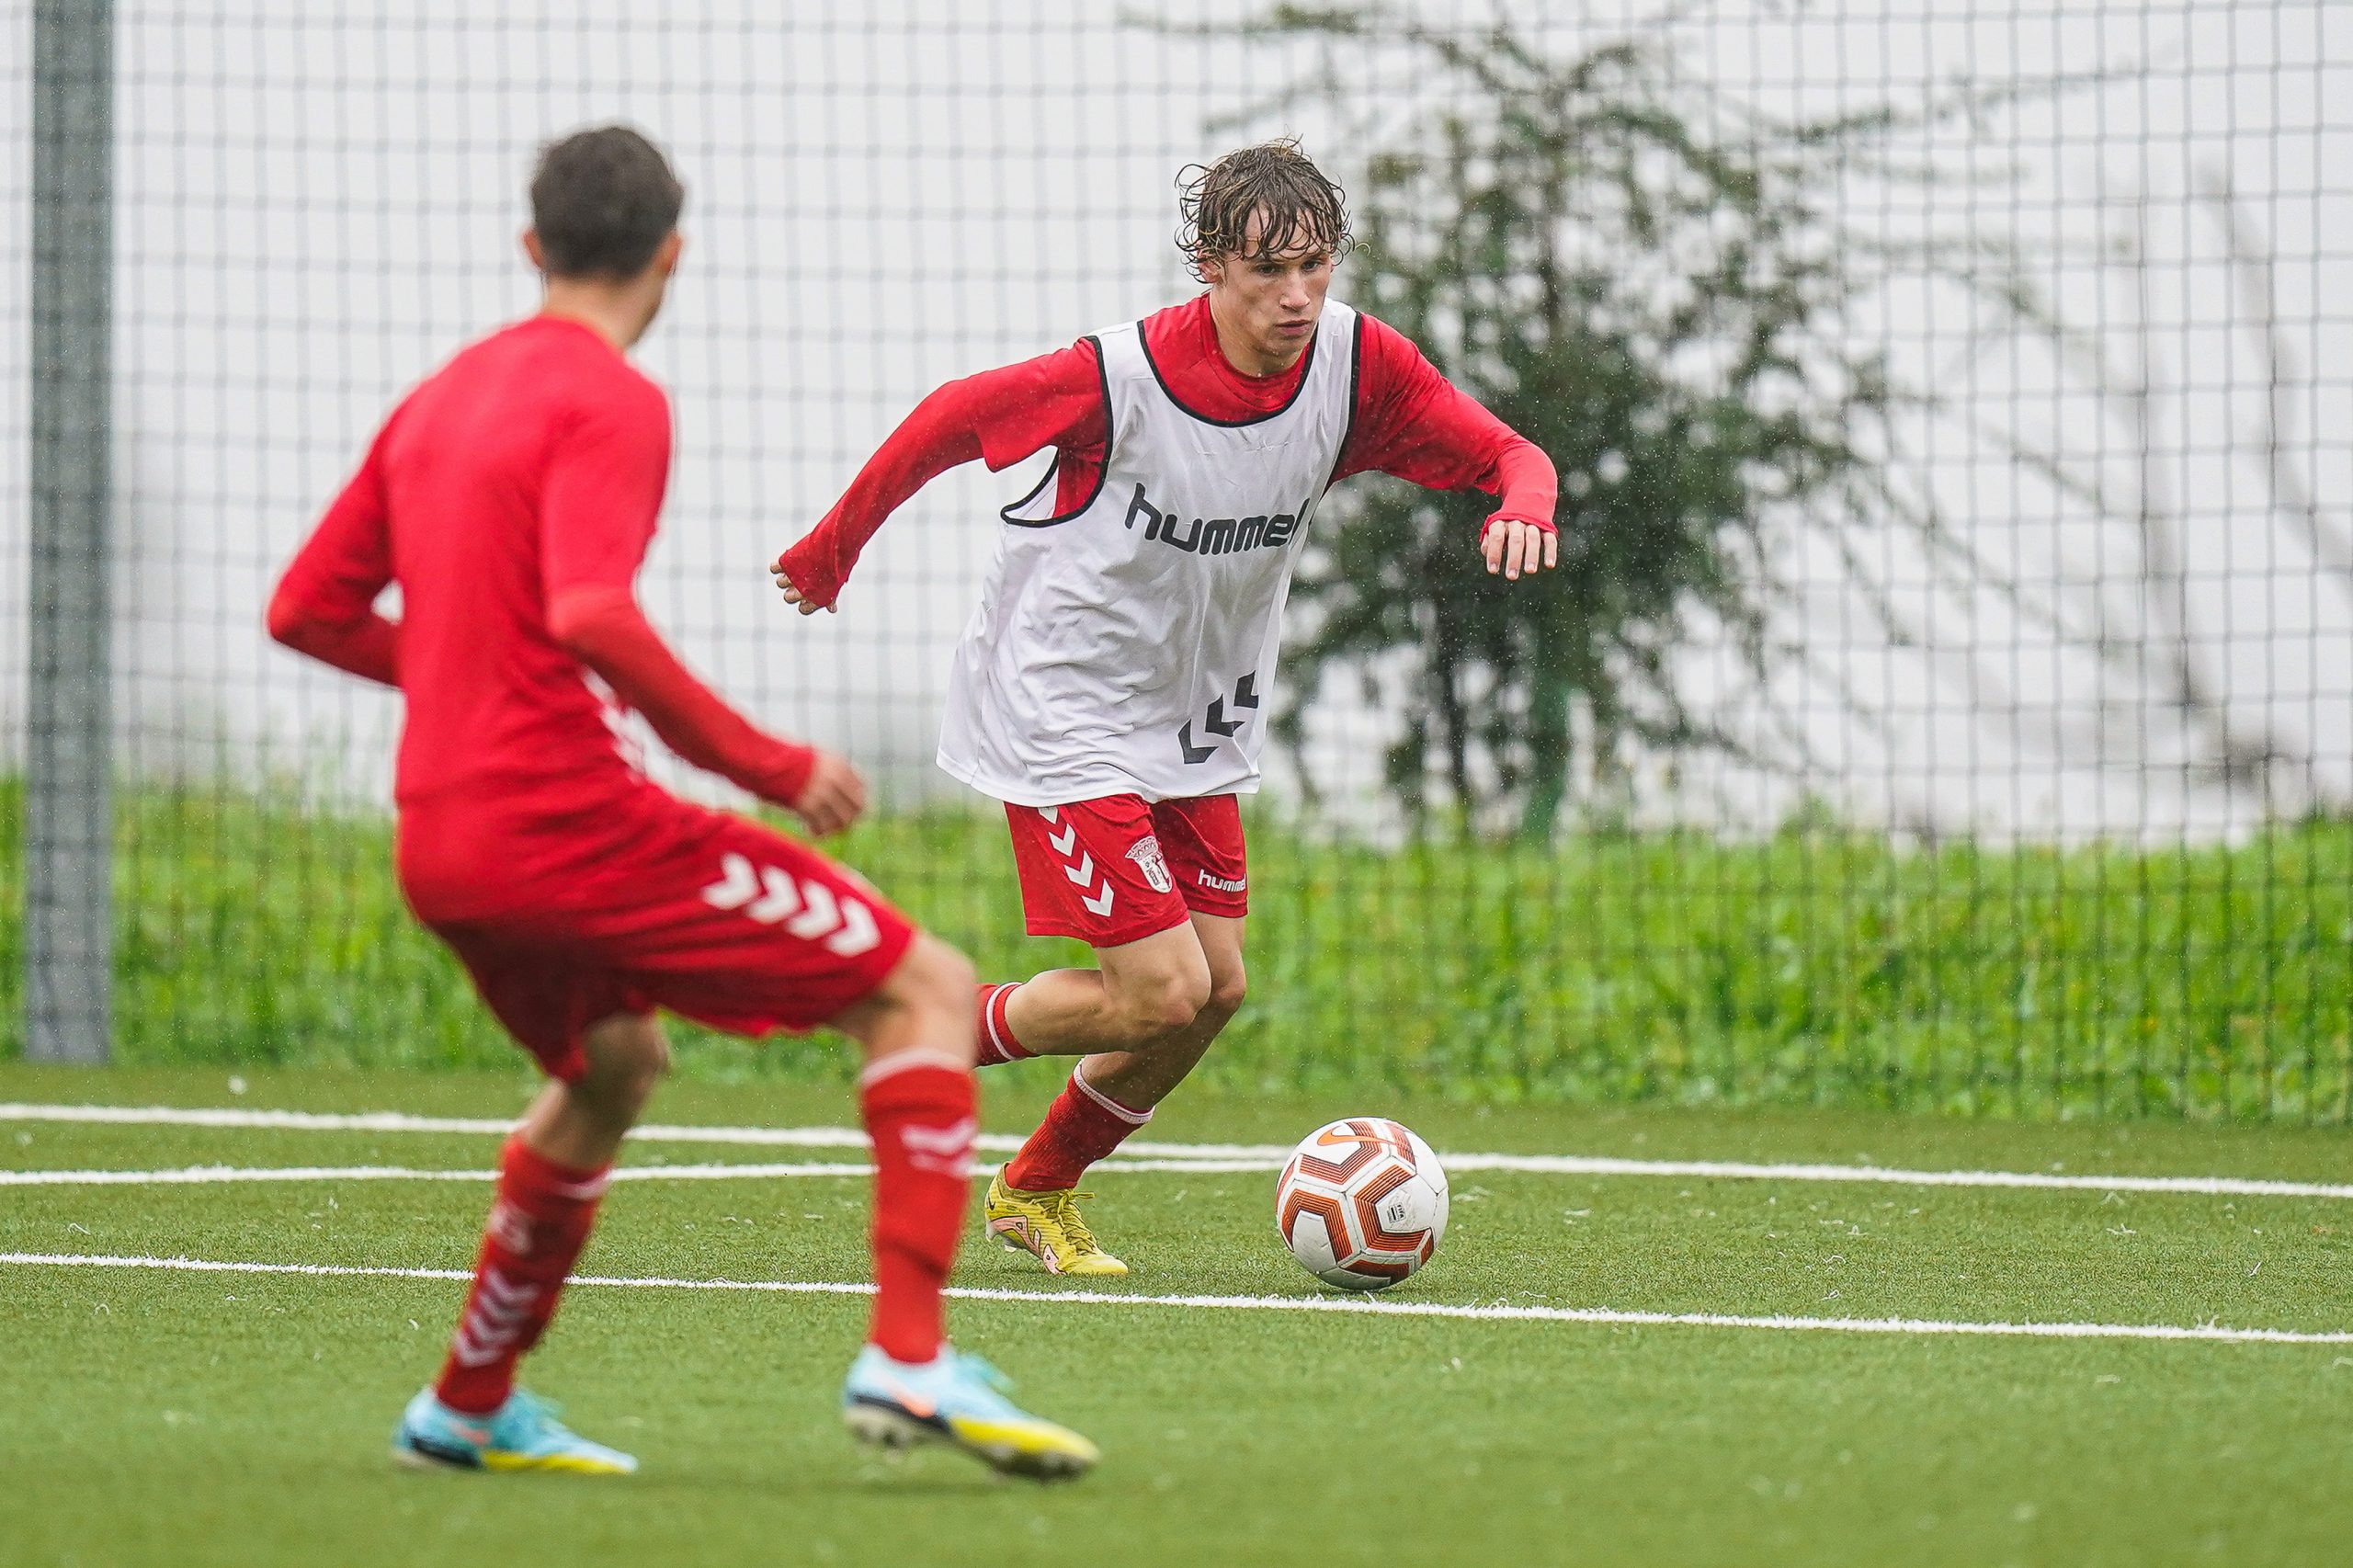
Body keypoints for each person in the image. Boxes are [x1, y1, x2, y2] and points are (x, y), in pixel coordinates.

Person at [268, 125, 1095, 1480]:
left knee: (611, 1068)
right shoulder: (611, 399)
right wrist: (766, 765)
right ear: (672, 256)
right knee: (927, 989)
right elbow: (591, 609)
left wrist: (466, 669)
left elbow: (306, 609)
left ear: (533, 247)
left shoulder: (438, 399)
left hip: (443, 838)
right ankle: (908, 1355)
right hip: (561, 822)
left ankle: (467, 1401)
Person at [771, 140, 1558, 1278]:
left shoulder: (1351, 367)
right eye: (1265, 272)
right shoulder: (1118, 379)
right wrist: (831, 549)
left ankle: (1036, 1187)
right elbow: (951, 417)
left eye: (1315, 267)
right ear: (1209, 267)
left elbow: (1506, 452)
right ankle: (935, 1017)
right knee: (1162, 987)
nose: (1296, 296)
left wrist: (1523, 498)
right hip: (1062, 705)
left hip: (1193, 720)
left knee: (1214, 990)